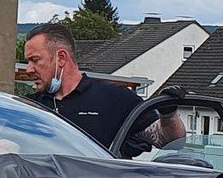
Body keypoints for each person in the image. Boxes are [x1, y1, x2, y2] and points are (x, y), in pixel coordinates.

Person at [21, 22, 145, 150]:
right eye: (28, 62)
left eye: (35, 60)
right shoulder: (30, 106)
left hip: (99, 170)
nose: (29, 70)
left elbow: (161, 135)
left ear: (61, 58)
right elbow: (7, 148)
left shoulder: (115, 98)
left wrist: (165, 113)